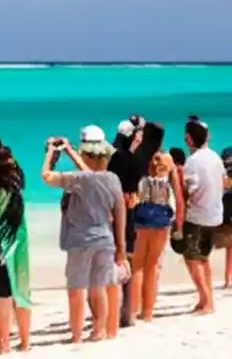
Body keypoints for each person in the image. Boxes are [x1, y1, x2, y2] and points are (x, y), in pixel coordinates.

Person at [41, 128, 126, 343]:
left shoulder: (77, 179)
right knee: (99, 287)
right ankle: (100, 331)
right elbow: (120, 212)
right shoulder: (112, 179)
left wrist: (50, 153)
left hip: (80, 241)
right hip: (106, 240)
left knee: (76, 289)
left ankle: (77, 334)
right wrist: (121, 248)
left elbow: (46, 176)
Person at [131, 123, 182, 322]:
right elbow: (178, 195)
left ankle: (133, 310)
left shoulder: (137, 158)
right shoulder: (168, 160)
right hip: (161, 215)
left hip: (141, 213)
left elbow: (130, 189)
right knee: (152, 266)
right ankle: (148, 313)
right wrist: (180, 222)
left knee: (137, 266)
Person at [0, 148, 31, 354]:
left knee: (2, 295)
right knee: (21, 291)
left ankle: (4, 344)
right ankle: (25, 341)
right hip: (20, 242)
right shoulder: (16, 188)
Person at [180, 118, 227, 314]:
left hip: (197, 215)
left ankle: (206, 301)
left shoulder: (192, 161)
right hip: (214, 214)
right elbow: (224, 182)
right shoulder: (215, 156)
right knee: (203, 258)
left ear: (188, 139)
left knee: (192, 258)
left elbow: (189, 188)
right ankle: (205, 299)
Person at [106, 117, 143, 327]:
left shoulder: (111, 156)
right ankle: (128, 312)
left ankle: (113, 311)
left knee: (113, 260)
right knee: (127, 257)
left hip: (111, 211)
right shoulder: (131, 157)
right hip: (128, 210)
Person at [220, 147, 232, 288]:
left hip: (226, 198)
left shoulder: (226, 152)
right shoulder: (227, 151)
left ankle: (228, 278)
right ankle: (228, 278)